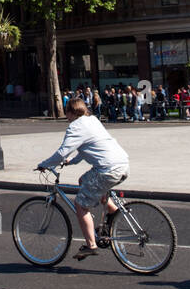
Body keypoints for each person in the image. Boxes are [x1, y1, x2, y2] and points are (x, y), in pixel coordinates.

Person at [35, 97, 127, 261]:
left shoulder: (75, 126)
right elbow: (88, 147)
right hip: (121, 164)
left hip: (107, 169)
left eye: (66, 112)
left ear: (70, 112)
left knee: (80, 204)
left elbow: (63, 151)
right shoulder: (92, 120)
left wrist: (45, 164)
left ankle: (91, 245)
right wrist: (72, 161)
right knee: (84, 181)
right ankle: (112, 211)